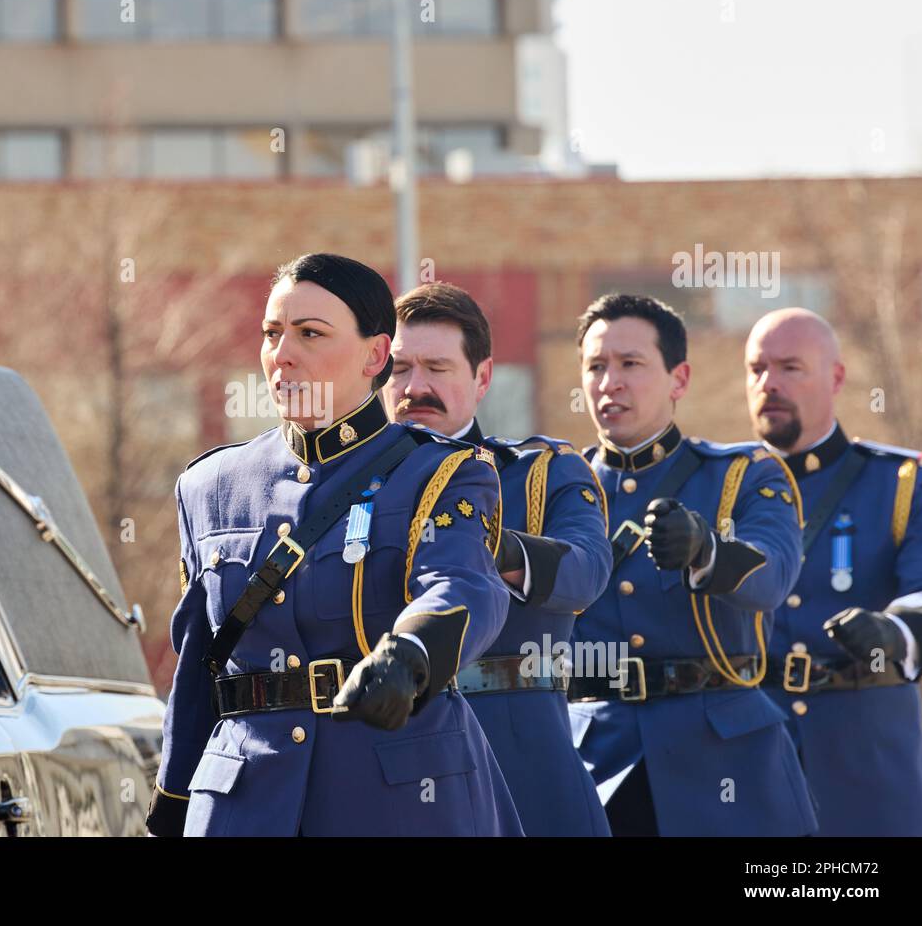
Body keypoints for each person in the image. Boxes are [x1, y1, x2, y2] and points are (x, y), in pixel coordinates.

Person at [145, 254, 522, 836]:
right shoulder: (210, 486)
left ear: (376, 356)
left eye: (310, 334)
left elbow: (465, 583)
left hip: (398, 795)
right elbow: (201, 662)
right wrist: (173, 800)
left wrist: (411, 654)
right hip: (244, 803)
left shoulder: (437, 471)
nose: (283, 354)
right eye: (272, 333)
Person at [569, 294, 816, 836]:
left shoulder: (743, 475)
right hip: (599, 766)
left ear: (678, 379)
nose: (610, 382)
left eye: (631, 364)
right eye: (596, 366)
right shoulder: (564, 487)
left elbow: (772, 576)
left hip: (725, 762)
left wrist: (707, 551)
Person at [382, 281, 612, 836]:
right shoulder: (351, 492)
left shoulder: (540, 473)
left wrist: (494, 544)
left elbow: (586, 572)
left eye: (437, 367)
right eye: (399, 369)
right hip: (384, 763)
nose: (416, 387)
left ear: (482, 377)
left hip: (520, 765)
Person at [744, 307, 922, 835]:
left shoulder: (901, 483)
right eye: (756, 369)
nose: (768, 383)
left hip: (866, 761)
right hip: (751, 762)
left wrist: (890, 631)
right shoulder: (721, 491)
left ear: (837, 377)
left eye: (790, 368)